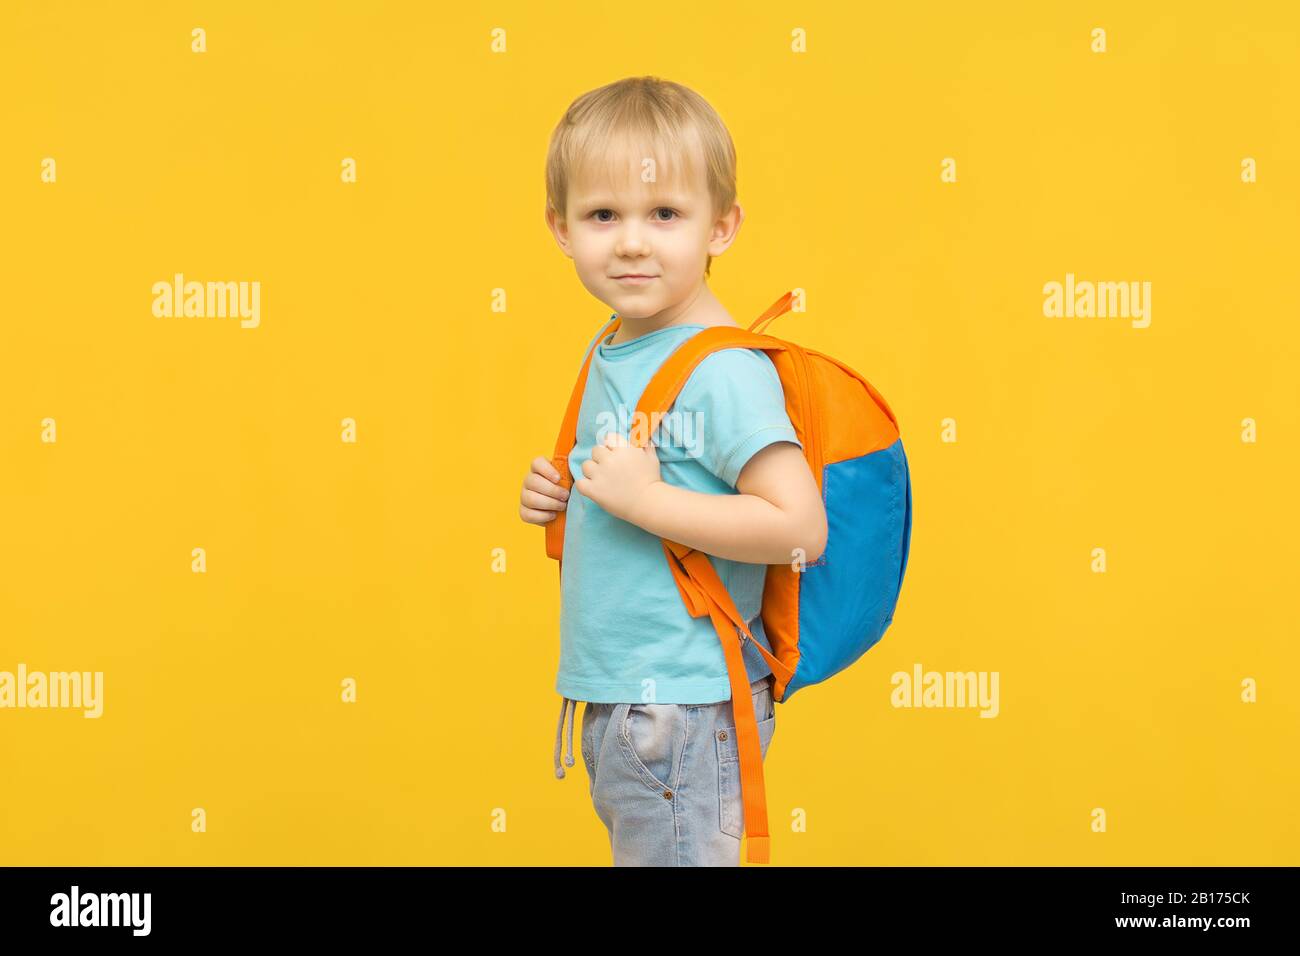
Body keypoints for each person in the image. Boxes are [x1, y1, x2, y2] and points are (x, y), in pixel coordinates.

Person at [520, 75, 828, 865]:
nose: (631, 241)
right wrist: (567, 492)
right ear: (560, 229)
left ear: (721, 226)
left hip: (685, 712)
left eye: (664, 214)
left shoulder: (721, 371)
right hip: (627, 703)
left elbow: (798, 528)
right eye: (602, 216)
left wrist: (645, 500)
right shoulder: (617, 342)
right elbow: (631, 481)